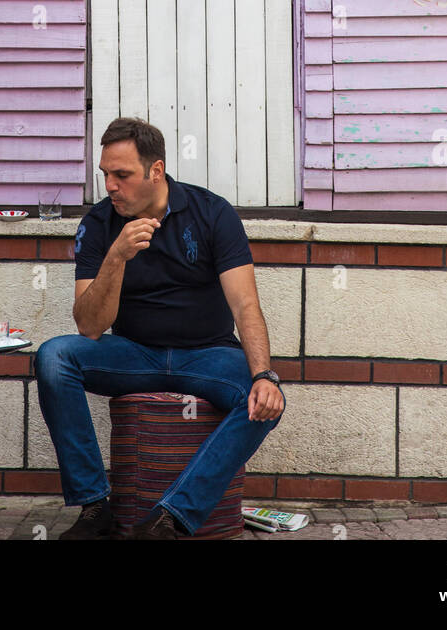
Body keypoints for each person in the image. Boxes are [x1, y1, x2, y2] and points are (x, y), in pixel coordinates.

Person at [35, 116, 286, 540]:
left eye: (122, 175)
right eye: (105, 175)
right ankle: (96, 508)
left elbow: (245, 304)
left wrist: (264, 374)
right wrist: (116, 257)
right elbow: (90, 327)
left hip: (208, 355)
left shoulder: (211, 213)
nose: (111, 186)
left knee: (266, 398)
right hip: (135, 355)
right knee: (55, 357)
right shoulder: (99, 224)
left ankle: (170, 518)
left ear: (156, 171)